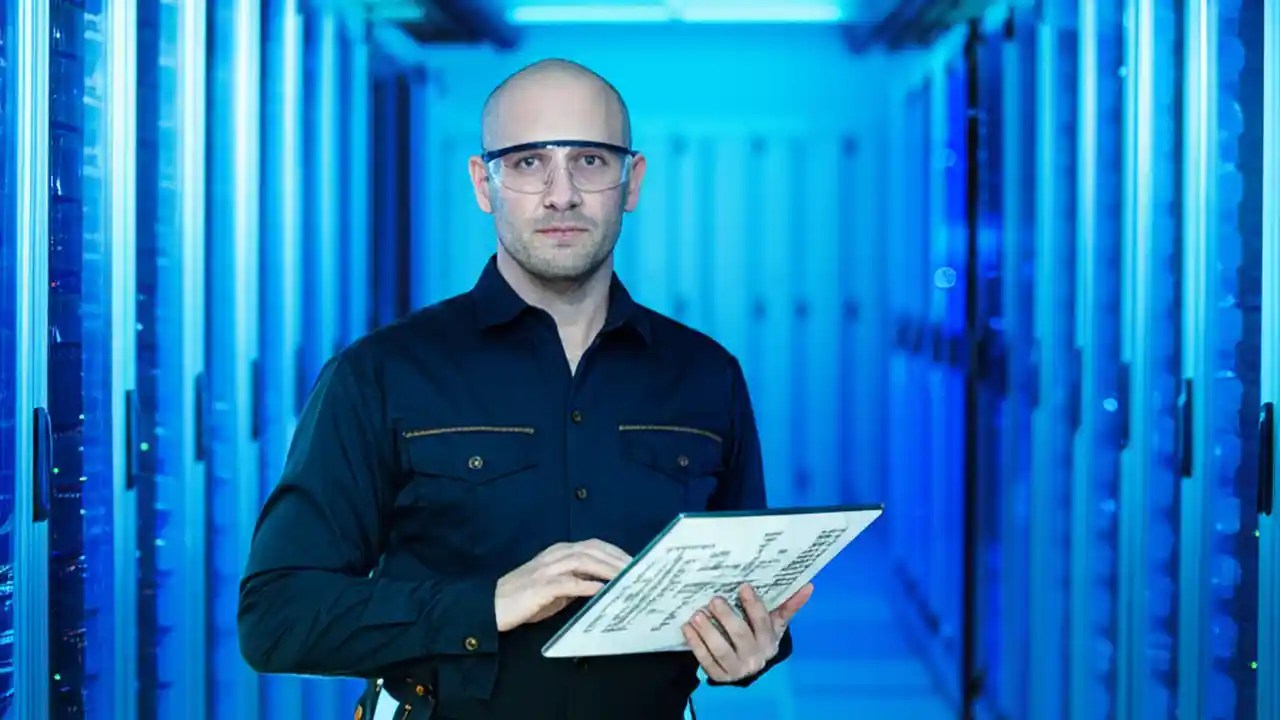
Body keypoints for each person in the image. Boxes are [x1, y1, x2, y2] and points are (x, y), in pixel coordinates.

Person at [237, 57, 812, 720]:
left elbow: (741, 593)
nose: (561, 193)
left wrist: (749, 649)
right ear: (485, 183)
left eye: (591, 161)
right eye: (528, 161)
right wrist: (485, 604)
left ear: (632, 181)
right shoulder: (381, 374)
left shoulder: (707, 375)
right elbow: (276, 617)